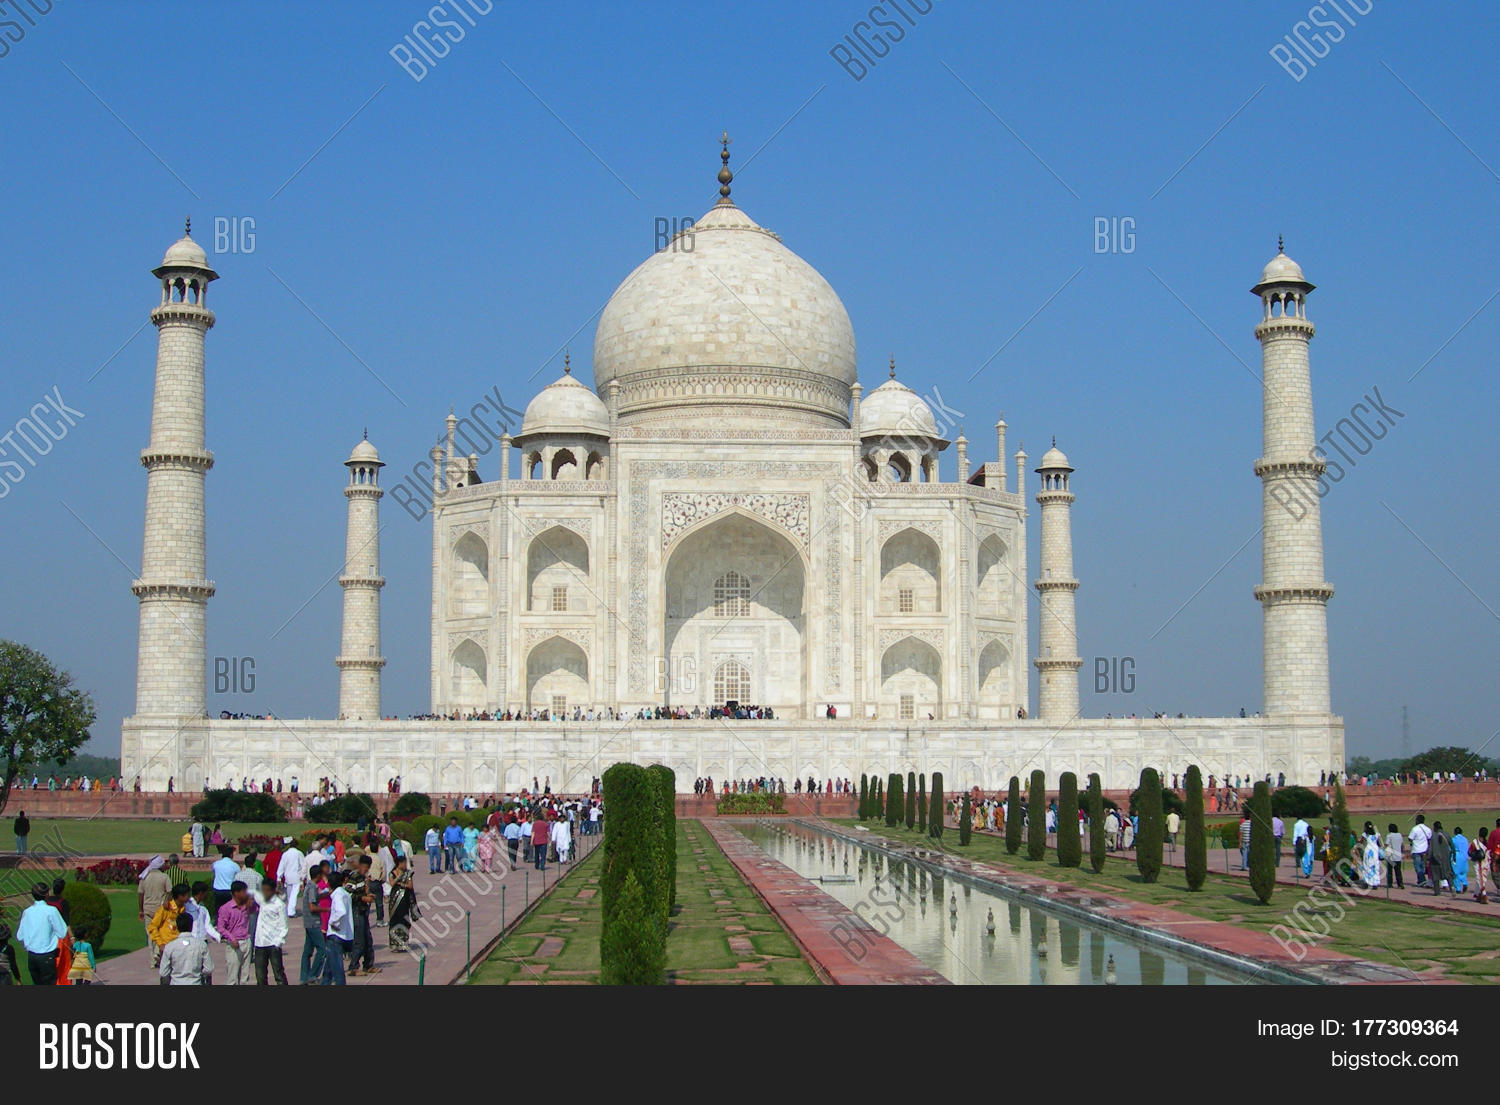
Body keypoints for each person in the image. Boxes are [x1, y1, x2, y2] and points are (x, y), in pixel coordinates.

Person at [16, 884, 67, 985]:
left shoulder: (27, 912)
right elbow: (62, 932)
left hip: (32, 957)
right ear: (47, 894)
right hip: (46, 955)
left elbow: (20, 936)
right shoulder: (51, 911)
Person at [252, 878, 289, 985]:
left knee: (278, 974)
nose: (265, 893)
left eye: (267, 890)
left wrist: (278, 942)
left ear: (273, 890)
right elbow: (253, 892)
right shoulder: (262, 900)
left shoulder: (279, 905)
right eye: (263, 890)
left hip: (273, 944)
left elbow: (284, 926)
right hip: (260, 943)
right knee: (260, 975)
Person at [217, 881, 254, 985]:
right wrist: (232, 938)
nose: (246, 893)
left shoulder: (247, 905)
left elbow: (259, 909)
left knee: (245, 976)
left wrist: (252, 903)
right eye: (244, 891)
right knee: (233, 976)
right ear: (236, 893)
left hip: (246, 941)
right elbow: (220, 927)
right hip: (234, 944)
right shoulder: (226, 908)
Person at [345, 856, 377, 977]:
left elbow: (363, 892)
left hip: (363, 911)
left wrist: (369, 895)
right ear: (360, 866)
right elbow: (348, 894)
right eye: (365, 867)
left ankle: (368, 965)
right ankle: (353, 966)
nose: (366, 870)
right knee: (359, 940)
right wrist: (363, 898)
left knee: (368, 939)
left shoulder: (364, 878)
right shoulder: (354, 877)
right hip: (356, 911)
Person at [158, 914, 211, 985]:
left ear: (177, 927)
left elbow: (163, 973)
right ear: (192, 926)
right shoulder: (201, 945)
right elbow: (209, 968)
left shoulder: (170, 946)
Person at [299, 862, 329, 984]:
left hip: (308, 922)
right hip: (313, 922)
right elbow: (312, 907)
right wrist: (326, 909)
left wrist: (327, 894)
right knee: (322, 950)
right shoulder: (312, 887)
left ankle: (304, 977)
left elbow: (316, 897)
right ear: (318, 875)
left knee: (307, 951)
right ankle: (313, 975)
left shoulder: (310, 886)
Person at [323, 871, 352, 985]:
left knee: (337, 970)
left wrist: (332, 922)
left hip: (336, 936)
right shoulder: (345, 893)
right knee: (328, 970)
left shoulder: (338, 895)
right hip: (345, 935)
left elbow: (341, 911)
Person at [387, 856, 415, 953]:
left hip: (404, 900)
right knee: (394, 920)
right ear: (399, 863)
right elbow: (392, 883)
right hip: (394, 900)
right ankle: (394, 944)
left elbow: (410, 886)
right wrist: (398, 877)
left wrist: (400, 884)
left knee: (403, 919)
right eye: (403, 863)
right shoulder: (392, 873)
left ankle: (403, 943)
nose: (405, 865)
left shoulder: (407, 873)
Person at [277, 837, 305, 918]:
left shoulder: (285, 854)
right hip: (296, 876)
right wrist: (303, 878)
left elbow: (281, 866)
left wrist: (279, 877)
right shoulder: (299, 853)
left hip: (287, 877)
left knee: (290, 895)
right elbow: (303, 866)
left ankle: (290, 910)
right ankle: (291, 911)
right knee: (293, 895)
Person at [211, 844, 239, 918]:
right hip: (229, 891)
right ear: (231, 855)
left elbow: (214, 874)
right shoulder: (235, 865)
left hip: (218, 890)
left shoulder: (216, 864)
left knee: (218, 911)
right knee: (230, 911)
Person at [1409, 815, 1432, 888]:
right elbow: (1430, 839)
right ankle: (1421, 880)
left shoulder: (1415, 829)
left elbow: (1410, 838)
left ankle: (1422, 880)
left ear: (1417, 820)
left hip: (1416, 850)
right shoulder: (1428, 829)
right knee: (1422, 866)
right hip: (1425, 850)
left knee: (1417, 866)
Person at [1359, 822, 1381, 890]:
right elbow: (1379, 844)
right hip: (1375, 851)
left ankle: (1367, 882)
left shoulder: (1365, 834)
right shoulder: (1377, 834)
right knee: (1375, 866)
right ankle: (1375, 883)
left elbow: (1361, 842)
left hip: (1368, 851)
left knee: (1367, 866)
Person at [1383, 822, 1405, 889]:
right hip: (1398, 856)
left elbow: (1387, 845)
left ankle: (1390, 884)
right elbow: (1402, 845)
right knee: (1398, 871)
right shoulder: (1399, 835)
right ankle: (1400, 884)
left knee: (1390, 871)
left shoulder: (1389, 835)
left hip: (1391, 856)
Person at [1451, 825, 1470, 895]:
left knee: (1455, 873)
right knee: (1463, 872)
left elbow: (1450, 848)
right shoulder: (1465, 839)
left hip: (1457, 856)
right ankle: (1465, 883)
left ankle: (1458, 888)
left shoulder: (1454, 839)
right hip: (1465, 857)